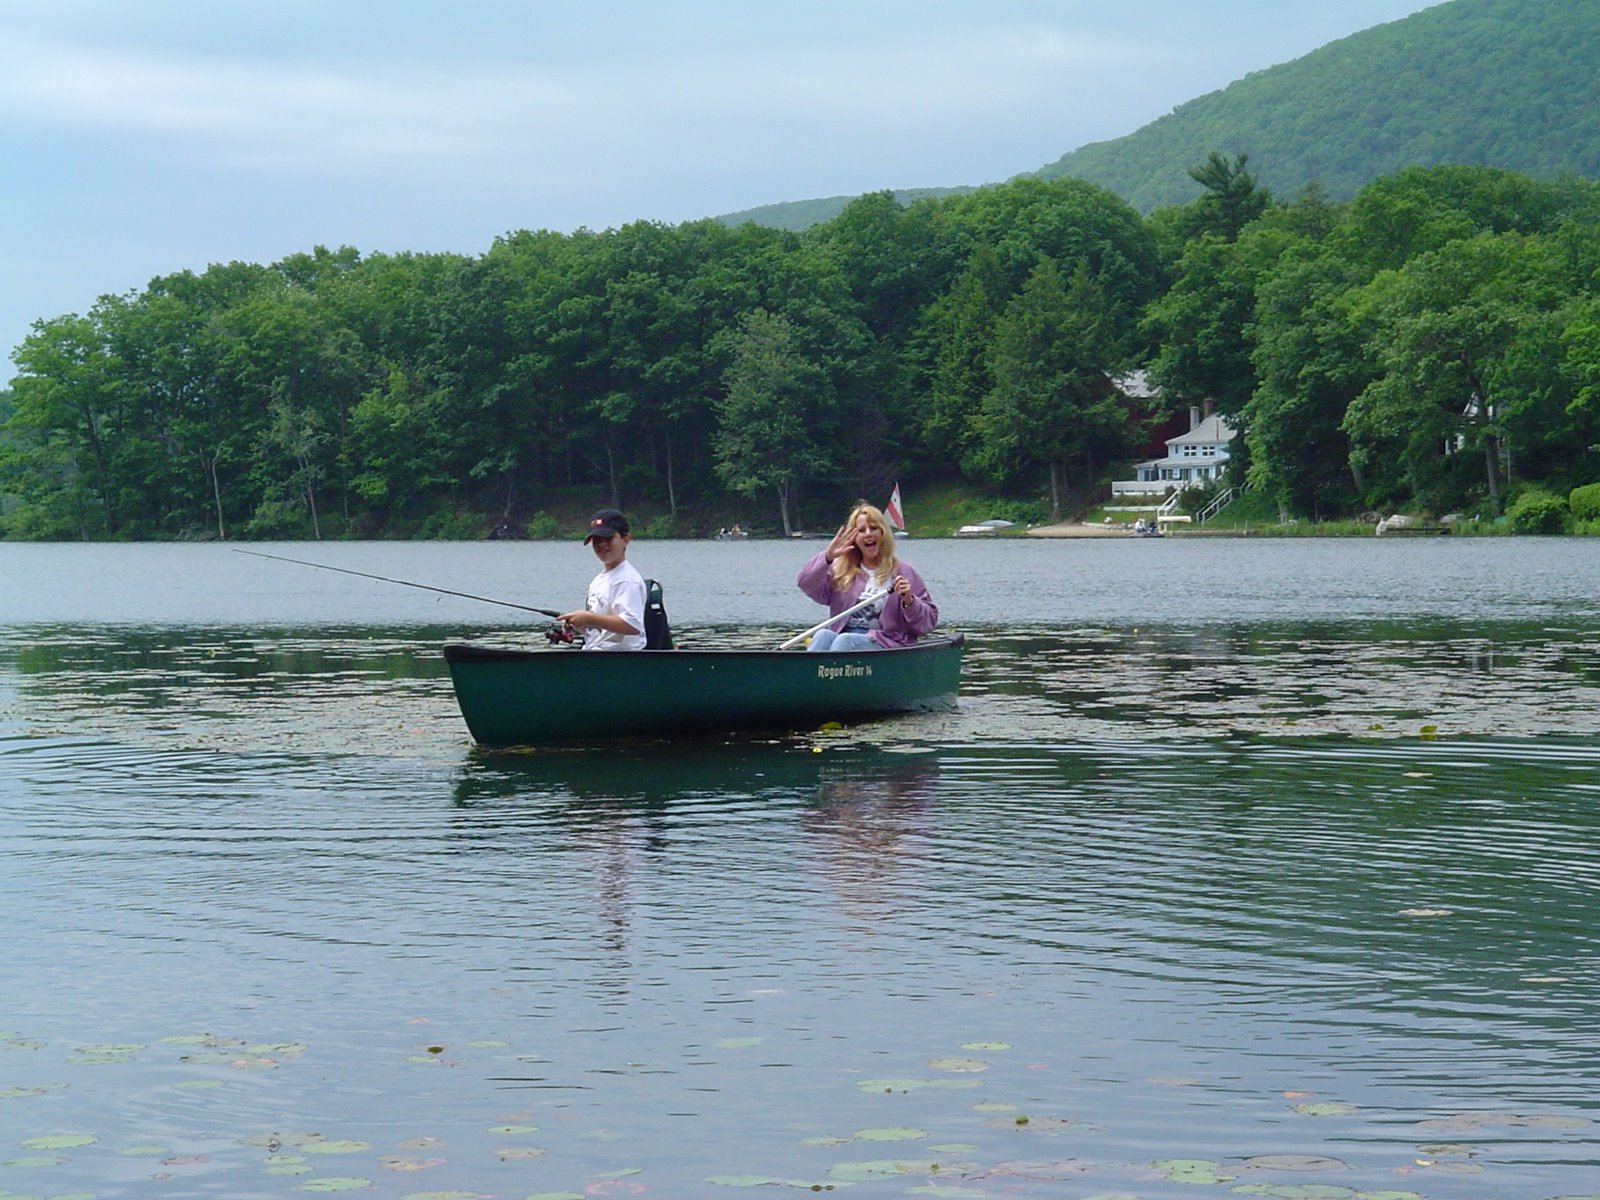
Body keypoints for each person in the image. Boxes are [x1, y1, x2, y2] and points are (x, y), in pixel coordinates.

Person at [796, 502, 937, 651]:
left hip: (885, 641)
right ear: (854, 538)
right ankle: (812, 666)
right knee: (823, 635)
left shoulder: (904, 571)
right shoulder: (842, 571)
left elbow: (927, 623)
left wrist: (909, 601)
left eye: (873, 528)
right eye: (862, 530)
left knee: (845, 640)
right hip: (843, 635)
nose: (868, 534)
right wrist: (828, 557)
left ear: (883, 534)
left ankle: (833, 666)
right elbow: (805, 583)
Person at [557, 508, 647, 651]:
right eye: (597, 540)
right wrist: (580, 624)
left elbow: (632, 625)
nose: (601, 544)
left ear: (625, 540)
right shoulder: (598, 580)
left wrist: (588, 618)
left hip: (619, 658)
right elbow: (601, 630)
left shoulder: (627, 580)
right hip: (594, 653)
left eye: (608, 538)